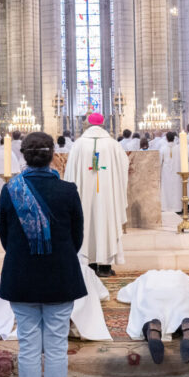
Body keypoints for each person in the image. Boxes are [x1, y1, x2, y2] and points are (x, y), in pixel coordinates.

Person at [0, 131, 87, 377]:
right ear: (53, 156)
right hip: (60, 277)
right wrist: (56, 256)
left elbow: (5, 237)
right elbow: (77, 238)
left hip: (22, 277)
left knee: (29, 349)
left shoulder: (11, 190)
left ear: (24, 155)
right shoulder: (67, 190)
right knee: (57, 350)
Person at [63, 112, 129, 277]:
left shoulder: (78, 145)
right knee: (106, 221)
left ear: (87, 124)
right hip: (107, 193)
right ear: (103, 123)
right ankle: (105, 267)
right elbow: (124, 167)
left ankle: (90, 265)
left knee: (86, 223)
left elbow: (70, 171)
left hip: (83, 193)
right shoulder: (113, 144)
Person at [117, 269, 189, 364]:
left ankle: (152, 327)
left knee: (149, 312)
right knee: (185, 310)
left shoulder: (146, 276)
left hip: (152, 293)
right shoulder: (182, 275)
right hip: (178, 291)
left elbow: (122, 295)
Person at [159, 131, 182, 213]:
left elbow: (159, 161)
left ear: (166, 138)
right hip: (176, 170)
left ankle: (166, 207)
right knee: (176, 188)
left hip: (166, 172)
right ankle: (177, 208)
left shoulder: (163, 148)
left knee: (167, 189)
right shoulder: (179, 148)